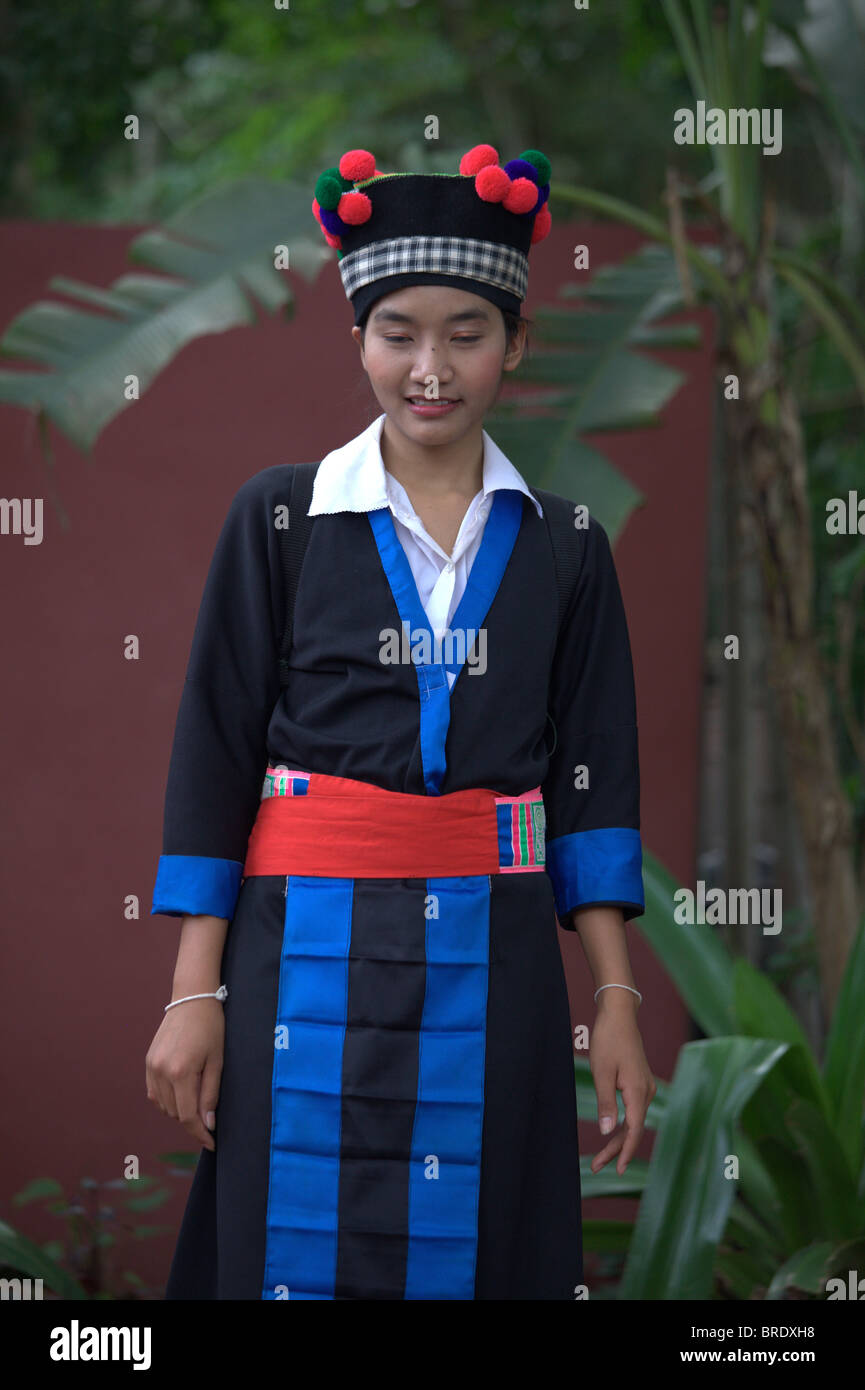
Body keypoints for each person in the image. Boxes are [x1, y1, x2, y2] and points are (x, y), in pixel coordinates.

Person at [145, 142, 655, 1301]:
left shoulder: (566, 545)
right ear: (359, 340)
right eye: (398, 334)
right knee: (289, 1232)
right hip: (298, 956)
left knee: (481, 1239)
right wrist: (194, 993)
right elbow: (216, 752)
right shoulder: (278, 519)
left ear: (516, 344)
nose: (430, 368)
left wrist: (616, 999)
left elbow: (591, 781)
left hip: (500, 952)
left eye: (466, 334)